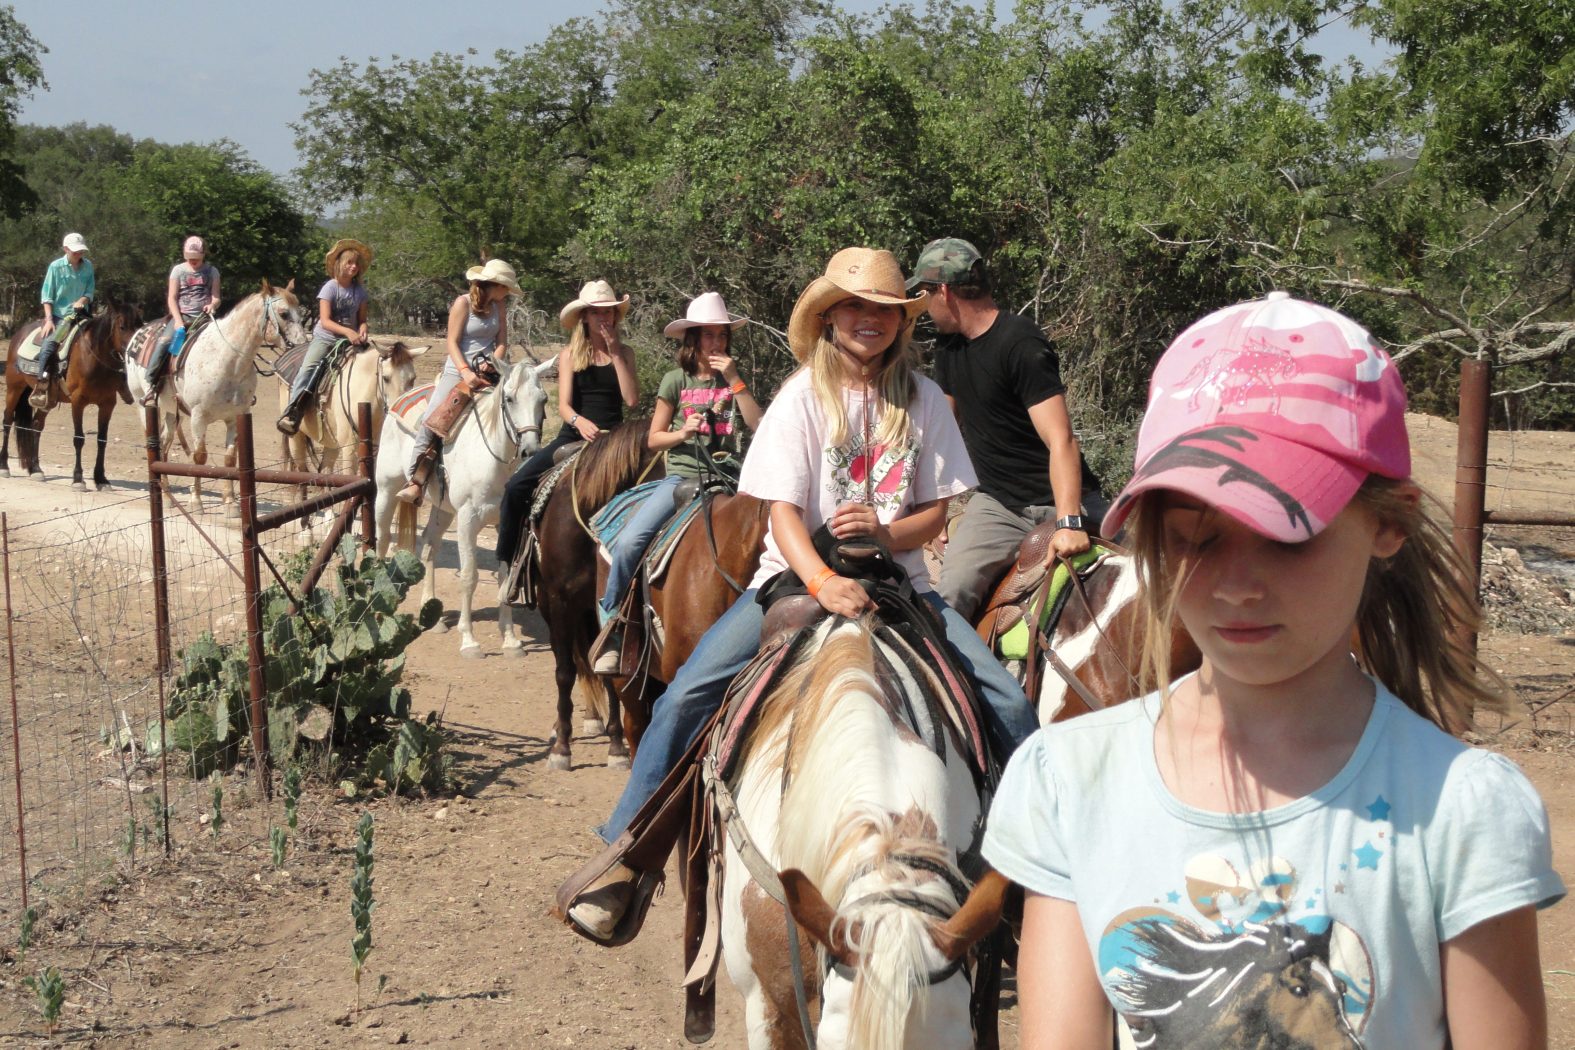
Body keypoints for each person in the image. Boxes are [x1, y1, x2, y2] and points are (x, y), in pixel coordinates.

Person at [983, 292, 1565, 1049]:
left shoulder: (1461, 809)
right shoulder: (1064, 781)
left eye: (1288, 539)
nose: (1235, 586)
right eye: (1194, 539)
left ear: (1387, 523)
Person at [566, 247, 1040, 941]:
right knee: (684, 696)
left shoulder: (926, 400)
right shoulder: (798, 398)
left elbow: (935, 515)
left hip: (897, 582)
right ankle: (627, 857)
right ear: (828, 317)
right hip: (792, 577)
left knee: (1007, 701)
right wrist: (820, 581)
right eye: (854, 306)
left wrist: (884, 530)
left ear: (900, 321)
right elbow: (782, 513)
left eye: (883, 309)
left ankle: (1027, 868)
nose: (868, 320)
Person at [909, 237, 1108, 622]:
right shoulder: (949, 350)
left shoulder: (1019, 342)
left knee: (1146, 570)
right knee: (951, 593)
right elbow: (943, 435)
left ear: (944, 292)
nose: (924, 307)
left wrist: (1068, 521)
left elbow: (1061, 439)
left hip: (1065, 498)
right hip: (998, 506)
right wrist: (931, 513)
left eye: (924, 294)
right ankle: (956, 681)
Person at [588, 291, 763, 673]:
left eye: (722, 336)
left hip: (732, 477)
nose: (717, 343)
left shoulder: (732, 380)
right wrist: (683, 432)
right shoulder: (675, 381)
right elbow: (654, 438)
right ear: (693, 339)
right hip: (683, 478)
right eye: (709, 336)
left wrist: (735, 380)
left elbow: (757, 424)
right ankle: (613, 623)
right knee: (631, 541)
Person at [494, 279, 640, 570]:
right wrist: (579, 421)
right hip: (575, 432)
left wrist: (614, 352)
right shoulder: (570, 355)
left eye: (609, 312)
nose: (604, 318)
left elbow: (632, 400)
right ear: (584, 317)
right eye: (597, 312)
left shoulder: (626, 354)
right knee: (516, 486)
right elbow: (563, 406)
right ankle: (510, 559)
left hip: (614, 437)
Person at [396, 259, 521, 505]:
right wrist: (465, 371)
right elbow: (451, 341)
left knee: (517, 409)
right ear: (493, 284)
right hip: (458, 370)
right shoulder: (462, 303)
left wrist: (493, 362)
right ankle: (416, 480)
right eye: (505, 286)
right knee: (434, 419)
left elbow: (503, 342)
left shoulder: (500, 306)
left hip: (490, 371)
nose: (507, 292)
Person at [278, 239, 372, 435]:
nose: (353, 266)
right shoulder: (330, 287)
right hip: (326, 338)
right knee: (308, 369)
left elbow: (362, 319)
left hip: (350, 340)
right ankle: (292, 412)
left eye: (356, 263)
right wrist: (348, 331)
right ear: (339, 264)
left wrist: (362, 329)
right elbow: (326, 320)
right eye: (349, 262)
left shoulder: (360, 291)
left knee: (375, 366)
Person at [142, 236, 221, 406]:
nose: (193, 261)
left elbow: (216, 296)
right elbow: (171, 298)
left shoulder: (212, 271)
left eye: (196, 258)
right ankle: (151, 383)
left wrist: (212, 305)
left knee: (224, 341)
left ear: (203, 255)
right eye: (190, 258)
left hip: (205, 317)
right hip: (182, 316)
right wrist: (177, 320)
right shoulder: (178, 271)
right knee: (164, 341)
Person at [31, 232, 96, 410]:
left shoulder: (88, 266)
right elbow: (47, 295)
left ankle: (119, 384)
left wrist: (83, 301)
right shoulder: (56, 267)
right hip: (62, 317)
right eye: (75, 251)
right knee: (49, 345)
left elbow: (90, 290)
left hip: (83, 315)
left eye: (81, 251)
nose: (79, 254)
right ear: (65, 249)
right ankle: (41, 385)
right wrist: (49, 319)